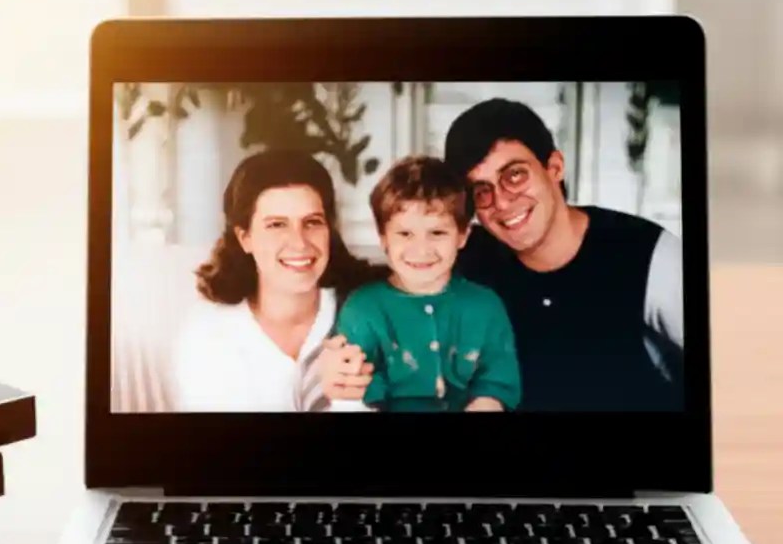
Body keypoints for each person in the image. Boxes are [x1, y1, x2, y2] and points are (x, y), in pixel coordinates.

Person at [320, 97, 683, 412]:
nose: (503, 202)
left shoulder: (646, 253)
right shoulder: (466, 253)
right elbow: (389, 284)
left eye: (515, 175)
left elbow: (719, 372)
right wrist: (341, 362)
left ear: (554, 167)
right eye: (481, 191)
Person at [169, 149, 382, 412]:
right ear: (245, 237)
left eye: (312, 222)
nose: (299, 242)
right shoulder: (209, 333)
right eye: (277, 225)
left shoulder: (369, 314)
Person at [330, 155, 520, 412]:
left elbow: (496, 383)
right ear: (383, 238)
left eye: (437, 233)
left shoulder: (486, 306)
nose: (421, 249)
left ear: (463, 236)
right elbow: (361, 396)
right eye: (405, 233)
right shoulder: (362, 309)